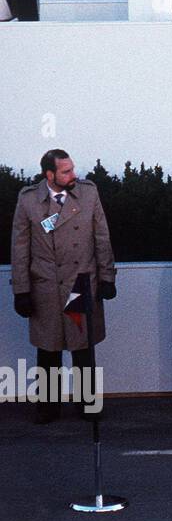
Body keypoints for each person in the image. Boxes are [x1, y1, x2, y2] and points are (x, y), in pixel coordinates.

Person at [11, 150, 116, 423]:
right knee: (48, 349)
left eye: (72, 169)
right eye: (65, 171)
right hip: (45, 284)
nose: (73, 175)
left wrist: (107, 277)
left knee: (83, 348)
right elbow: (20, 248)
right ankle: (48, 406)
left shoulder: (89, 194)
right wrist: (21, 290)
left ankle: (88, 403)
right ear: (50, 175)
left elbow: (101, 237)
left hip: (80, 281)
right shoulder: (29, 200)